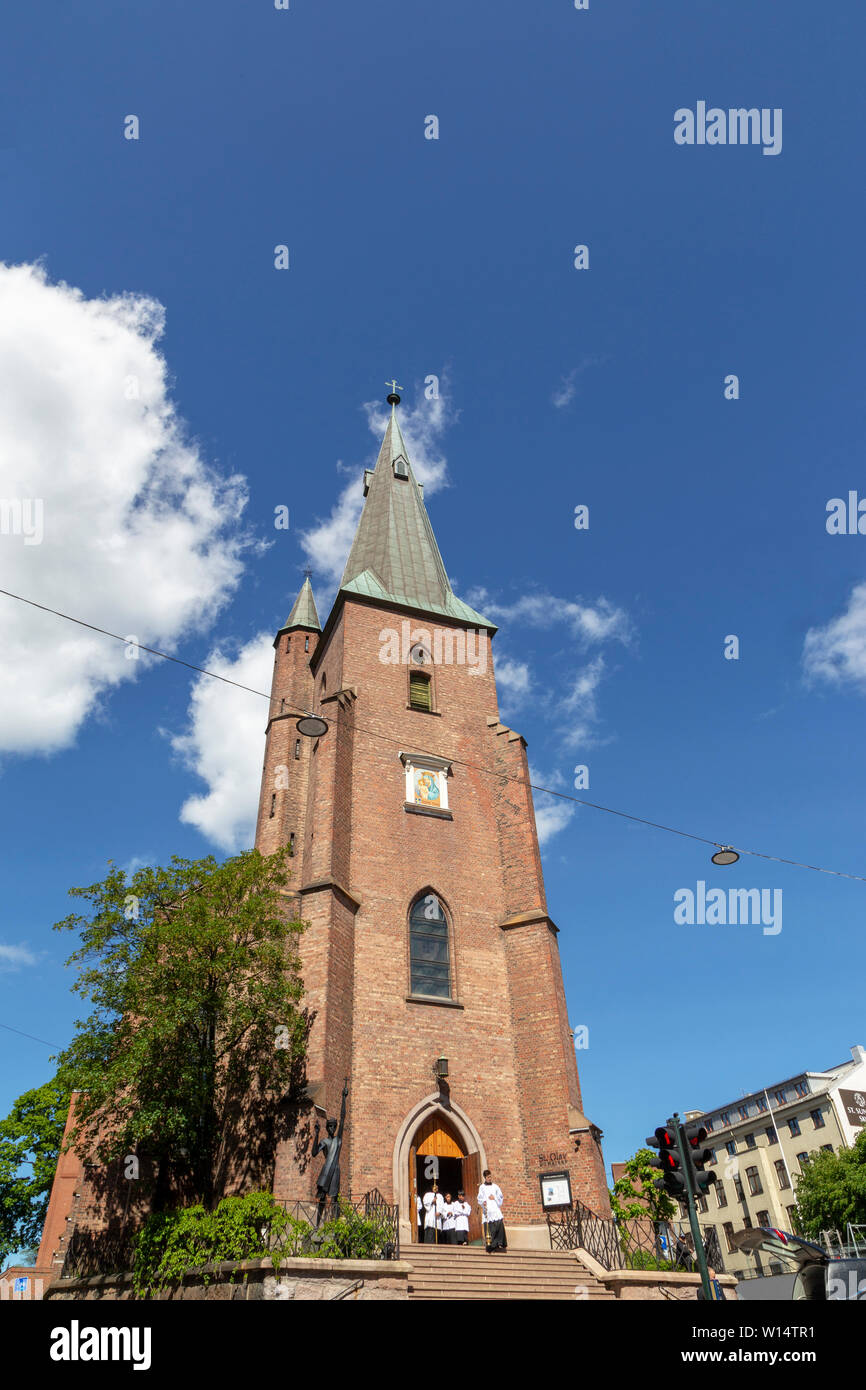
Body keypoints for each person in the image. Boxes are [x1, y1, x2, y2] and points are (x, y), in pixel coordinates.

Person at [477, 1168, 507, 1252]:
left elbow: (501, 1197)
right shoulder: (482, 1187)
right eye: (488, 1177)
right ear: (485, 1178)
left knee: (499, 1225)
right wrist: (483, 1202)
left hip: (495, 1209)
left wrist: (494, 1197)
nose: (489, 1178)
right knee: (490, 1228)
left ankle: (499, 1243)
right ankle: (491, 1245)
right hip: (488, 1210)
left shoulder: (495, 1186)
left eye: (490, 1176)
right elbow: (479, 1198)